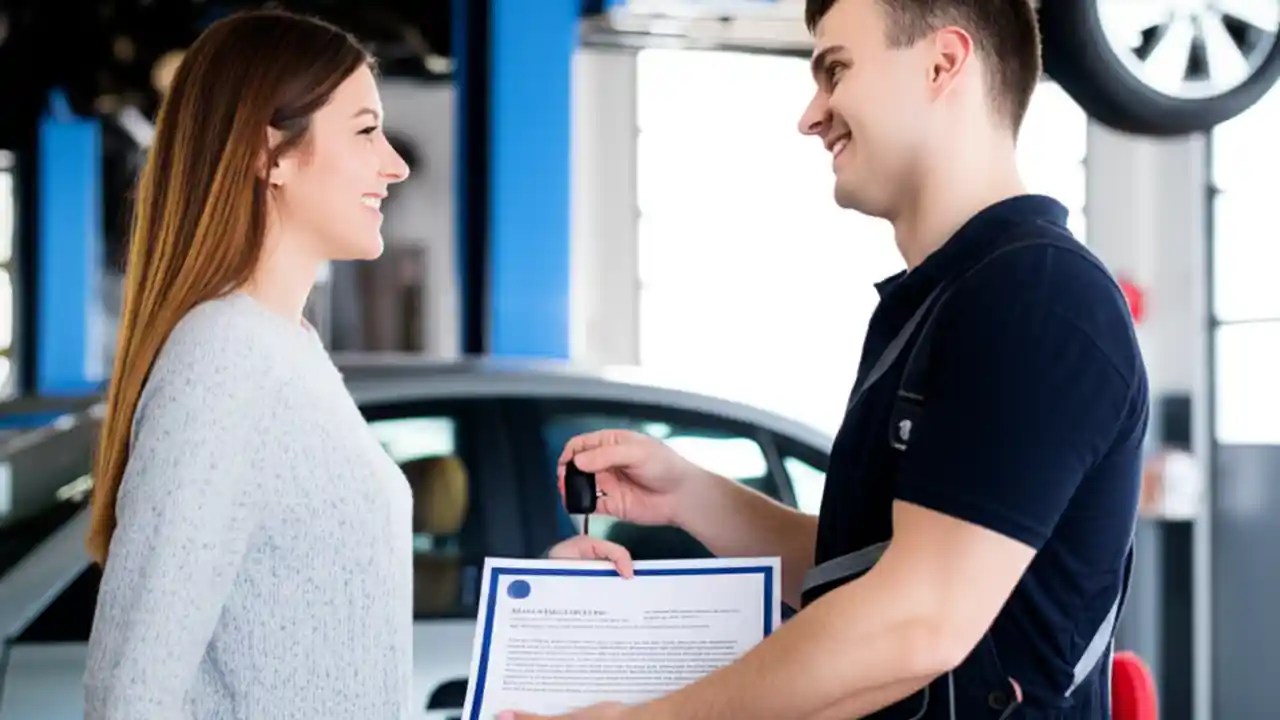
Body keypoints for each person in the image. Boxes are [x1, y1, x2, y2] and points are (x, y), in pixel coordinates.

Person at [504, 1, 1148, 719]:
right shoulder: (946, 300)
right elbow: (881, 570)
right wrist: (693, 496)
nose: (812, 116)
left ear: (944, 63)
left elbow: (916, 620)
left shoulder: (1037, 298)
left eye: (835, 71)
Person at [79, 9, 624, 718]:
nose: (394, 164)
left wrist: (538, 601)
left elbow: (320, 639)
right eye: (366, 130)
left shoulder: (286, 349)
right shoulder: (223, 360)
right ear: (266, 152)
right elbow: (130, 695)